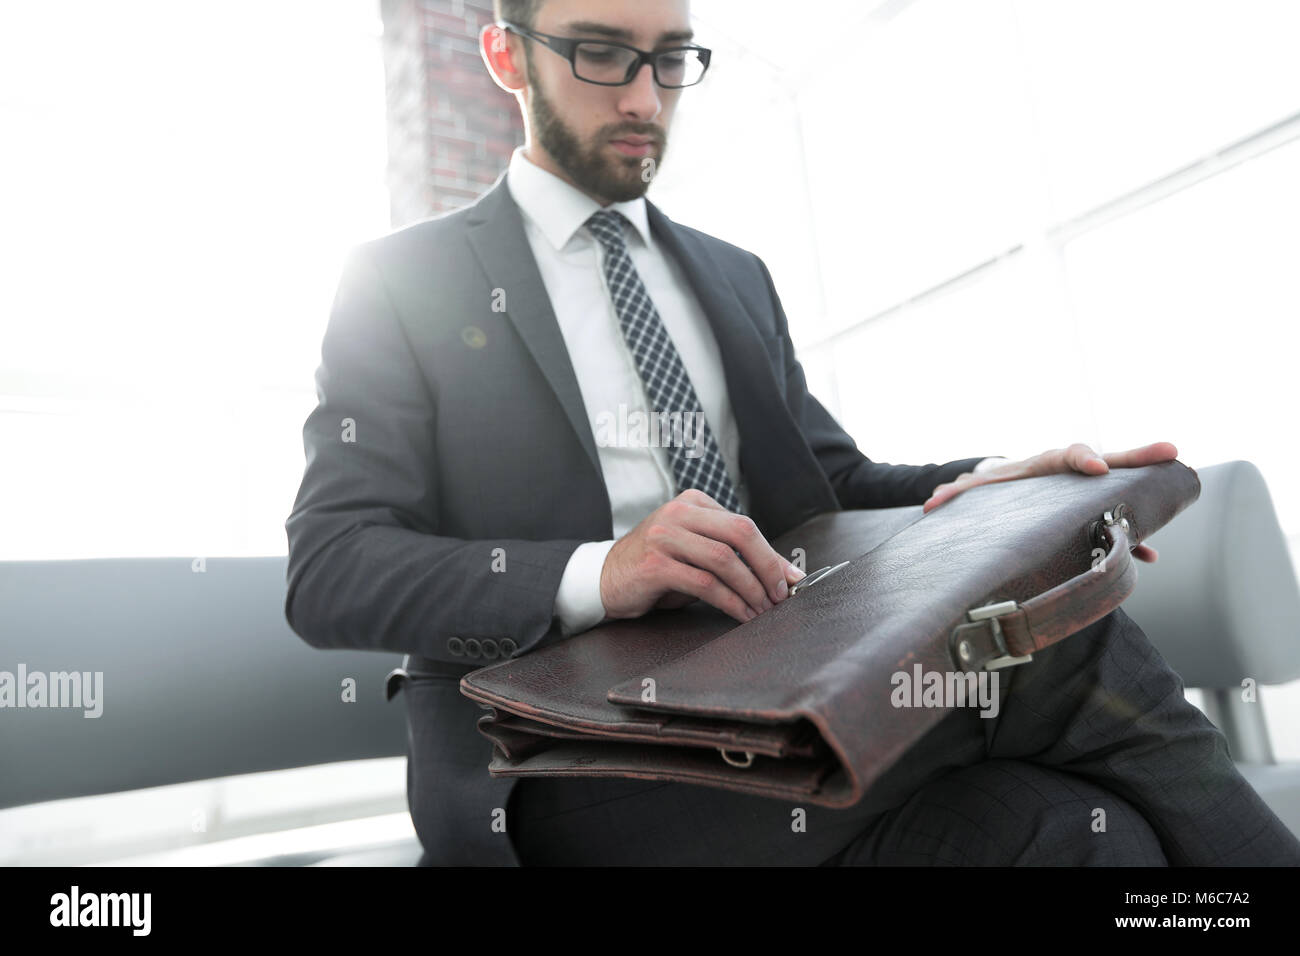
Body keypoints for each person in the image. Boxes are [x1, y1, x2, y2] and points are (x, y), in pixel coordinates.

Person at [284, 0, 1300, 866]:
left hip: (786, 700)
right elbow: (330, 568)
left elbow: (830, 483)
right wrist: (603, 569)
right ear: (506, 55)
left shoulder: (731, 275)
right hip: (559, 754)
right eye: (600, 53)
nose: (644, 98)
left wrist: (991, 482)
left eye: (672, 59)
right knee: (1063, 648)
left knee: (1079, 834)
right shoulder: (399, 283)